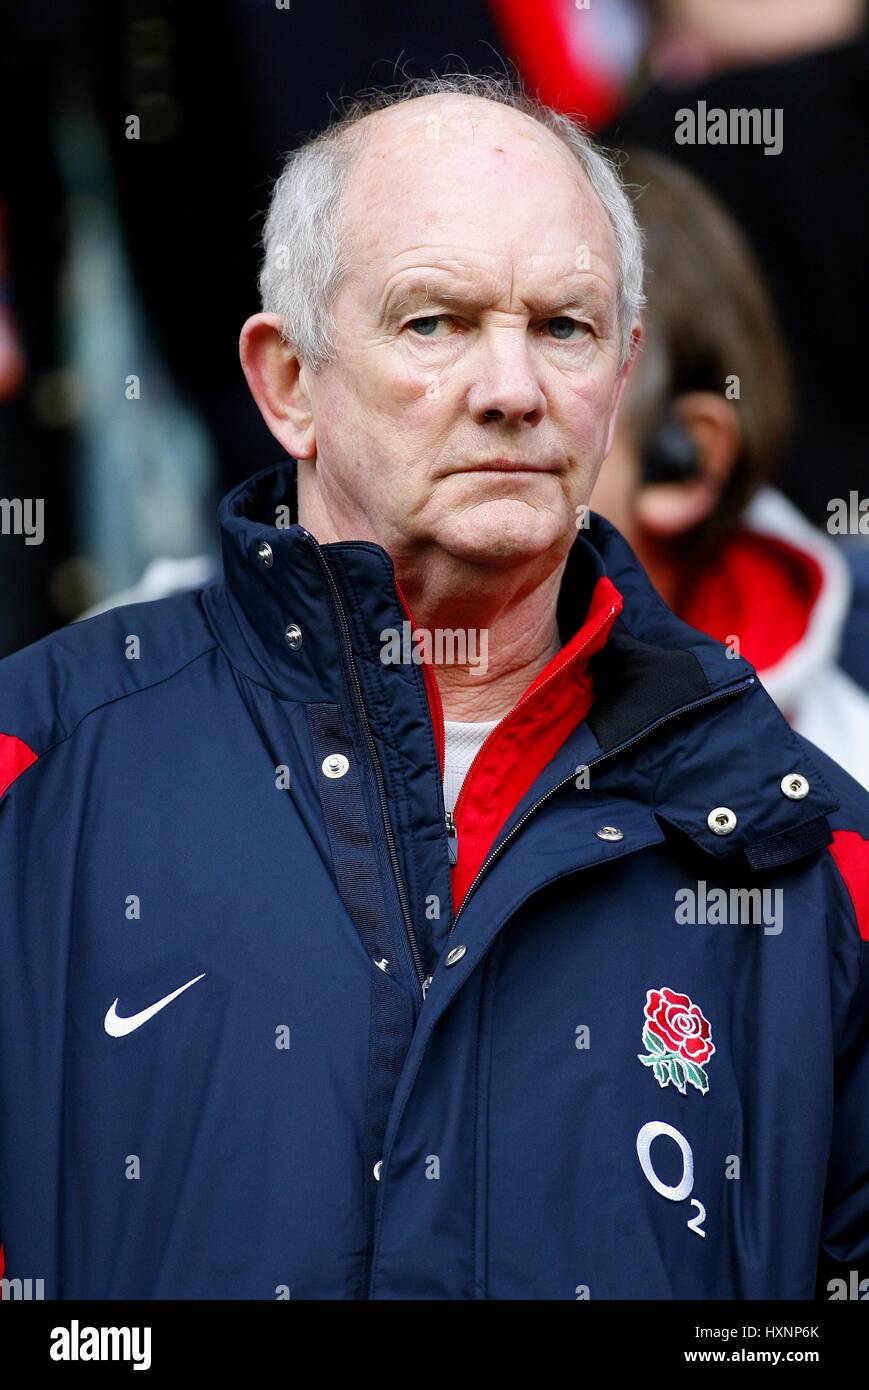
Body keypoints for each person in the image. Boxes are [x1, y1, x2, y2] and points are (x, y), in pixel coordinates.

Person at [0, 73, 867, 1301]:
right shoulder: (32, 770)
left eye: (562, 327)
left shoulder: (808, 850)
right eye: (435, 323)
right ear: (287, 382)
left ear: (618, 381)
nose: (510, 388)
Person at [591, 149, 869, 788]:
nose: (493, 387)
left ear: (680, 461)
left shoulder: (844, 759)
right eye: (433, 327)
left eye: (562, 332)